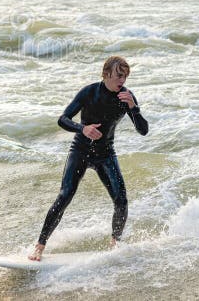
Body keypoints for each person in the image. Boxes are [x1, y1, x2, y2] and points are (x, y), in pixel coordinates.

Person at [28, 56, 149, 261]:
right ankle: (40, 246)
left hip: (106, 154)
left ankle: (115, 243)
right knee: (65, 195)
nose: (123, 81)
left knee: (121, 200)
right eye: (119, 75)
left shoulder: (126, 97)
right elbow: (63, 119)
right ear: (106, 74)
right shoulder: (89, 92)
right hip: (81, 151)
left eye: (125, 76)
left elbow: (143, 130)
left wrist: (133, 108)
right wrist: (83, 129)